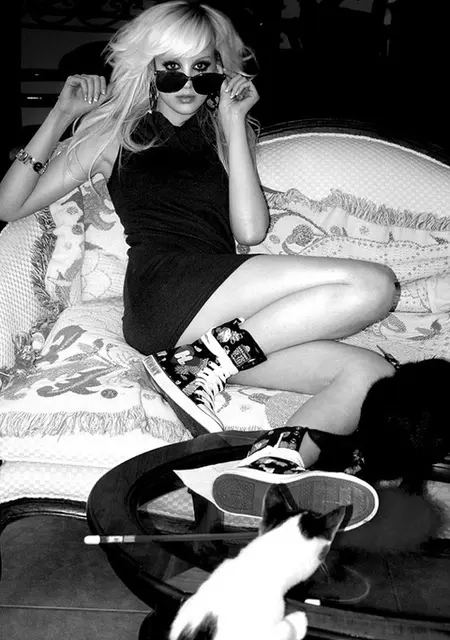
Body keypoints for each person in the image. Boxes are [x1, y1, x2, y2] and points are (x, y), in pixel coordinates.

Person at [0, 0, 398, 527]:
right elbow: (9, 206)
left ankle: (270, 469)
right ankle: (196, 369)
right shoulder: (115, 135)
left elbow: (249, 232)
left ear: (220, 72)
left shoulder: (226, 131)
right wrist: (59, 115)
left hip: (214, 319)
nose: (187, 84)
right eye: (171, 69)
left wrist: (234, 121)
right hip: (165, 292)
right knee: (374, 285)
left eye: (202, 69)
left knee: (371, 374)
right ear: (148, 70)